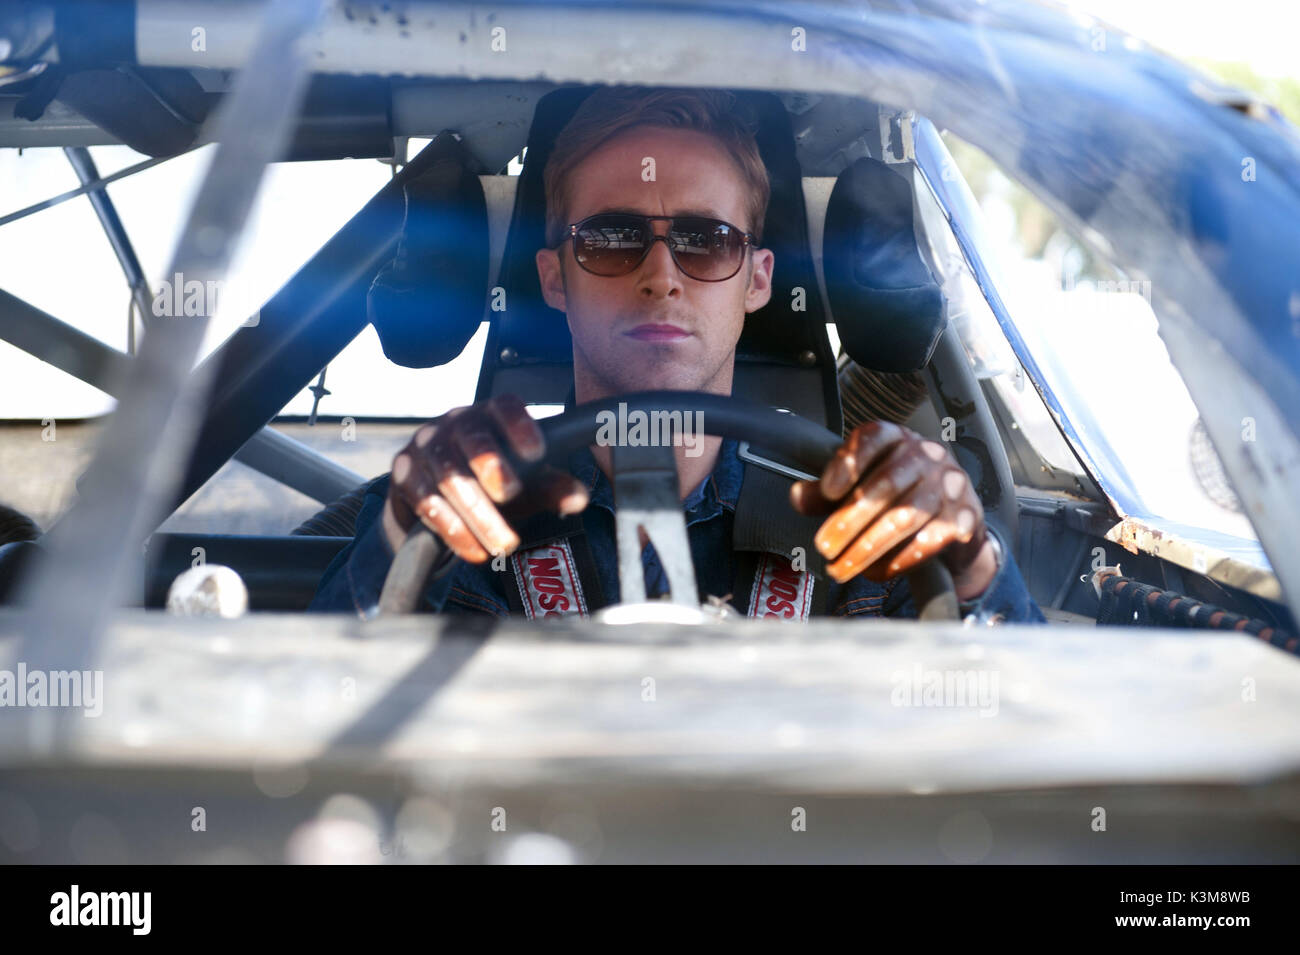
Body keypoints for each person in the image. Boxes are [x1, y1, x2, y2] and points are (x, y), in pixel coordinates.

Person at [310, 87, 1042, 623]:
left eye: (706, 239)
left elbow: (1027, 739)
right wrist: (399, 532)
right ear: (554, 276)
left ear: (757, 280)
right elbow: (307, 722)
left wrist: (973, 564)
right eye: (610, 237)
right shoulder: (449, 512)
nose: (660, 275)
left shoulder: (859, 526)